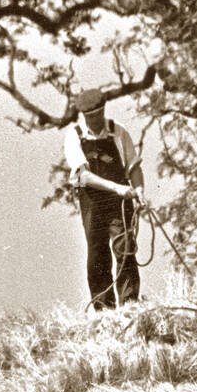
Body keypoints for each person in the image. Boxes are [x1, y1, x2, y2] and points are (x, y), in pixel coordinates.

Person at [63, 87, 144, 310]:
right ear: (83, 116)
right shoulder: (75, 136)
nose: (95, 120)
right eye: (90, 116)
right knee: (97, 254)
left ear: (104, 110)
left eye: (99, 114)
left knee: (125, 248)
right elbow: (82, 175)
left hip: (120, 203)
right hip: (93, 203)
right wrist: (117, 188)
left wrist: (140, 191)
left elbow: (134, 167)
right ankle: (104, 310)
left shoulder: (118, 131)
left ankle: (130, 305)